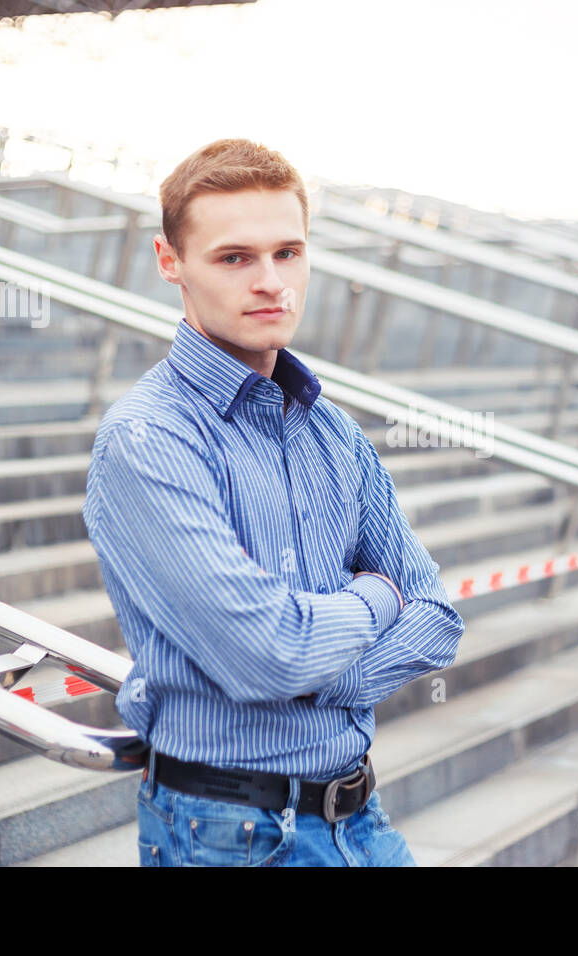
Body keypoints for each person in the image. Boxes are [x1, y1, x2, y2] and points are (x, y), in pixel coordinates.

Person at [82, 138, 464, 866]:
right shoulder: (147, 440)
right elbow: (270, 654)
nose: (270, 282)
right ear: (172, 264)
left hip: (360, 818)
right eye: (235, 258)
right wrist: (375, 601)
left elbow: (438, 618)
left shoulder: (331, 431)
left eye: (288, 253)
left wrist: (328, 674)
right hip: (228, 833)